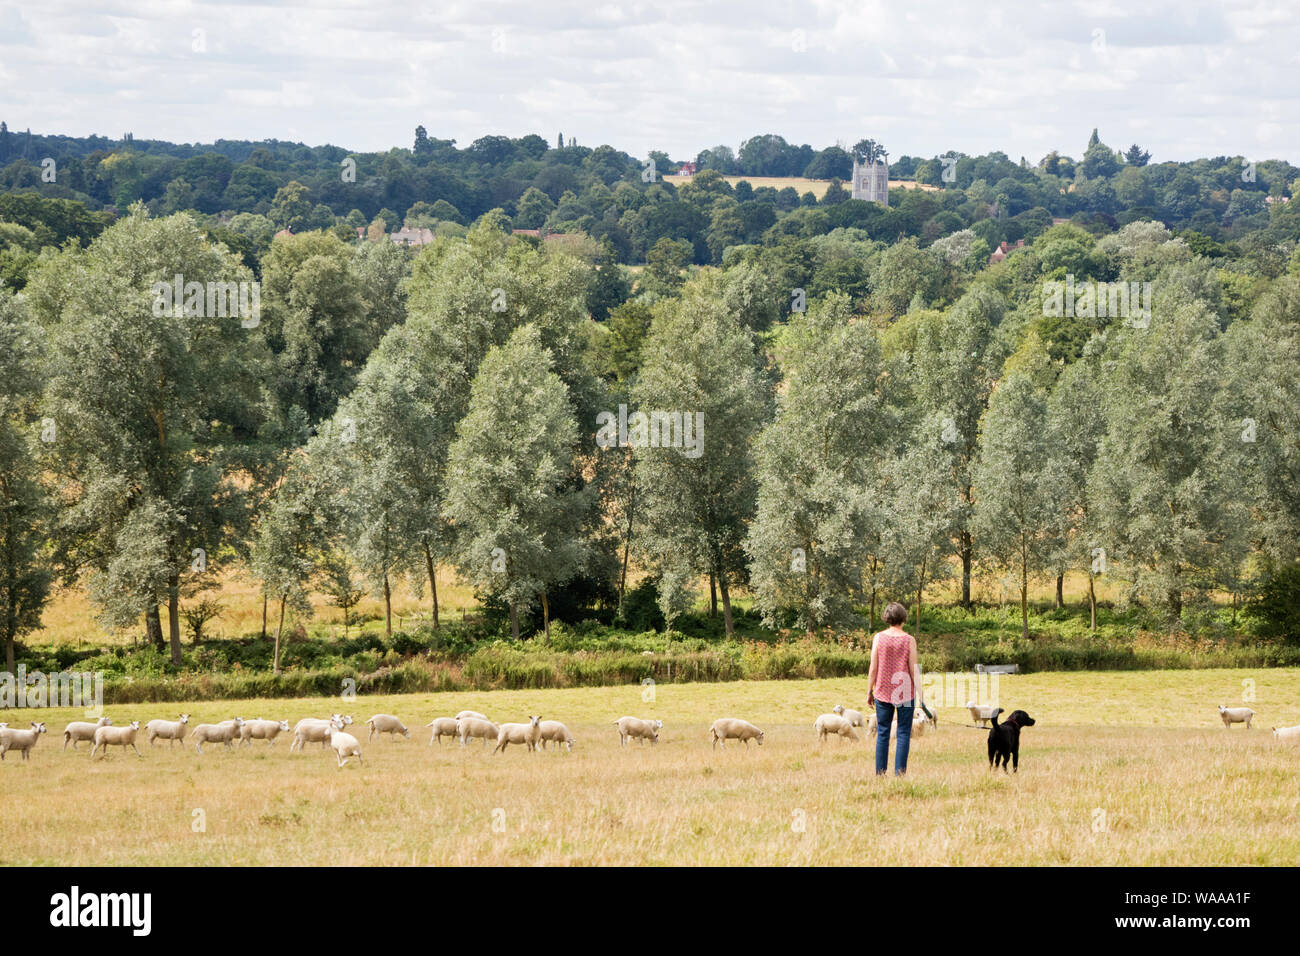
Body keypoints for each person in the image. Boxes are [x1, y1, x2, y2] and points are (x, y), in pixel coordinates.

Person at [866, 602, 923, 776]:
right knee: (904, 733)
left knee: (883, 733)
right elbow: (914, 670)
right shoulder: (909, 640)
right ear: (903, 618)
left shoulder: (878, 638)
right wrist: (921, 695)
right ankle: (900, 774)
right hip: (905, 692)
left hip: (882, 691)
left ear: (887, 618)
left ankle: (880, 774)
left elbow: (873, 668)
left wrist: (869, 691)